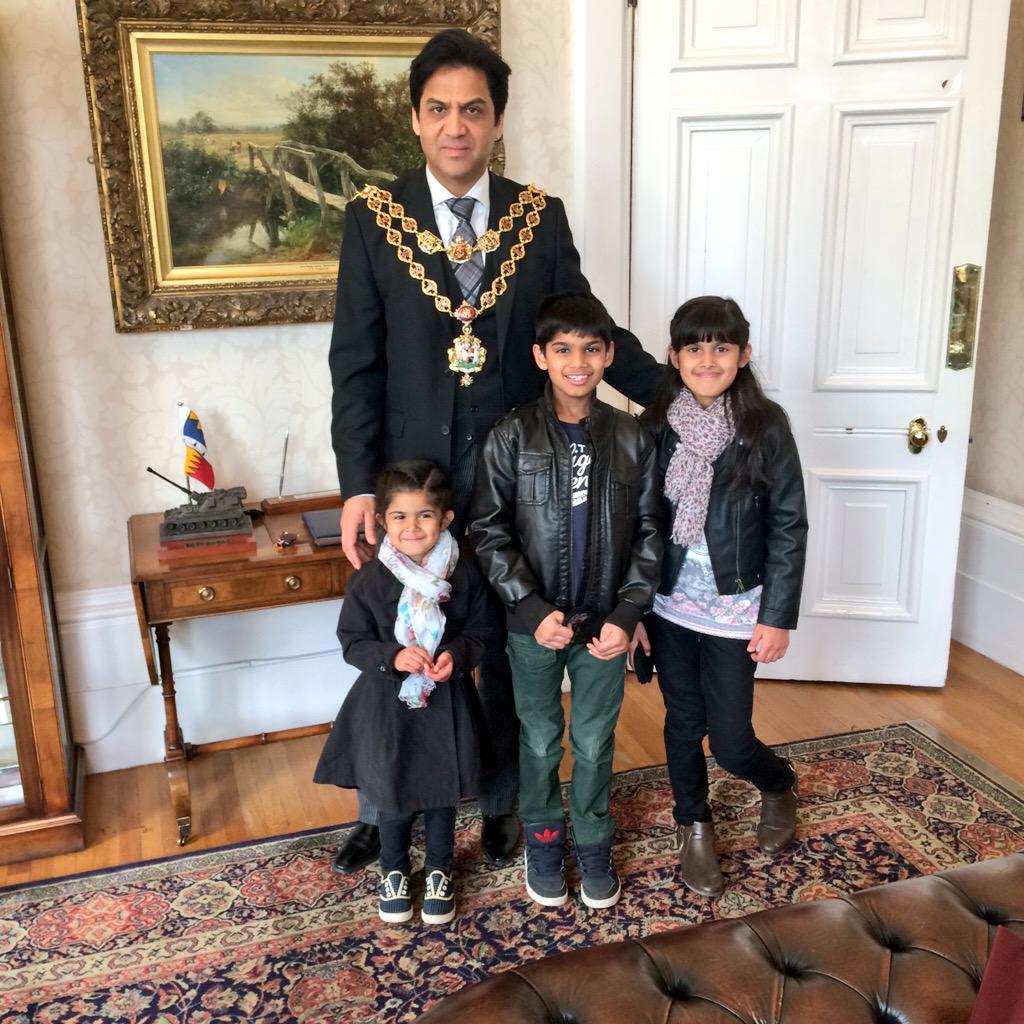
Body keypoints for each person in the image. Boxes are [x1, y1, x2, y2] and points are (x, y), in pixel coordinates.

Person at [329, 28, 664, 871]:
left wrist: (684, 397)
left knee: (510, 650)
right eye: (439, 109)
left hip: (522, 487)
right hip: (415, 490)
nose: (456, 126)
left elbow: (588, 326)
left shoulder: (537, 217)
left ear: (498, 120)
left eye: (473, 110)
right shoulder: (372, 219)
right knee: (404, 637)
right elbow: (355, 363)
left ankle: (507, 801)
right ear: (416, 118)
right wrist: (358, 485)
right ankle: (387, 803)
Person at [469, 292, 662, 909]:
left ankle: (594, 835)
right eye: (563, 349)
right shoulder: (512, 435)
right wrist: (529, 610)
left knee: (595, 740)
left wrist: (628, 613)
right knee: (538, 738)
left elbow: (651, 531)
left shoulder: (632, 436)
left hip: (606, 625)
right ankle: (545, 837)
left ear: (608, 356)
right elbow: (488, 530)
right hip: (534, 626)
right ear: (541, 356)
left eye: (590, 349)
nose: (577, 362)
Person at [635, 295, 808, 898]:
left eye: (721, 347)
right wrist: (634, 609)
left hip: (737, 607)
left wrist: (777, 616)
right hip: (670, 605)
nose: (707, 360)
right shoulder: (655, 425)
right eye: (694, 347)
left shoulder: (765, 426)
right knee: (683, 723)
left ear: (744, 354)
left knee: (732, 743)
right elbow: (639, 522)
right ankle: (695, 825)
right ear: (674, 356)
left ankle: (778, 782)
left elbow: (789, 525)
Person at [313, 461, 492, 924]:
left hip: (446, 702)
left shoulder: (465, 574)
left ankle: (439, 870)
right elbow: (352, 641)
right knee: (391, 790)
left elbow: (482, 632)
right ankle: (393, 869)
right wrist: (392, 657)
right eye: (399, 517)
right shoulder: (369, 579)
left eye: (424, 515)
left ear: (446, 519)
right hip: (385, 706)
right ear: (381, 522)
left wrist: (456, 655)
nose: (412, 527)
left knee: (441, 792)